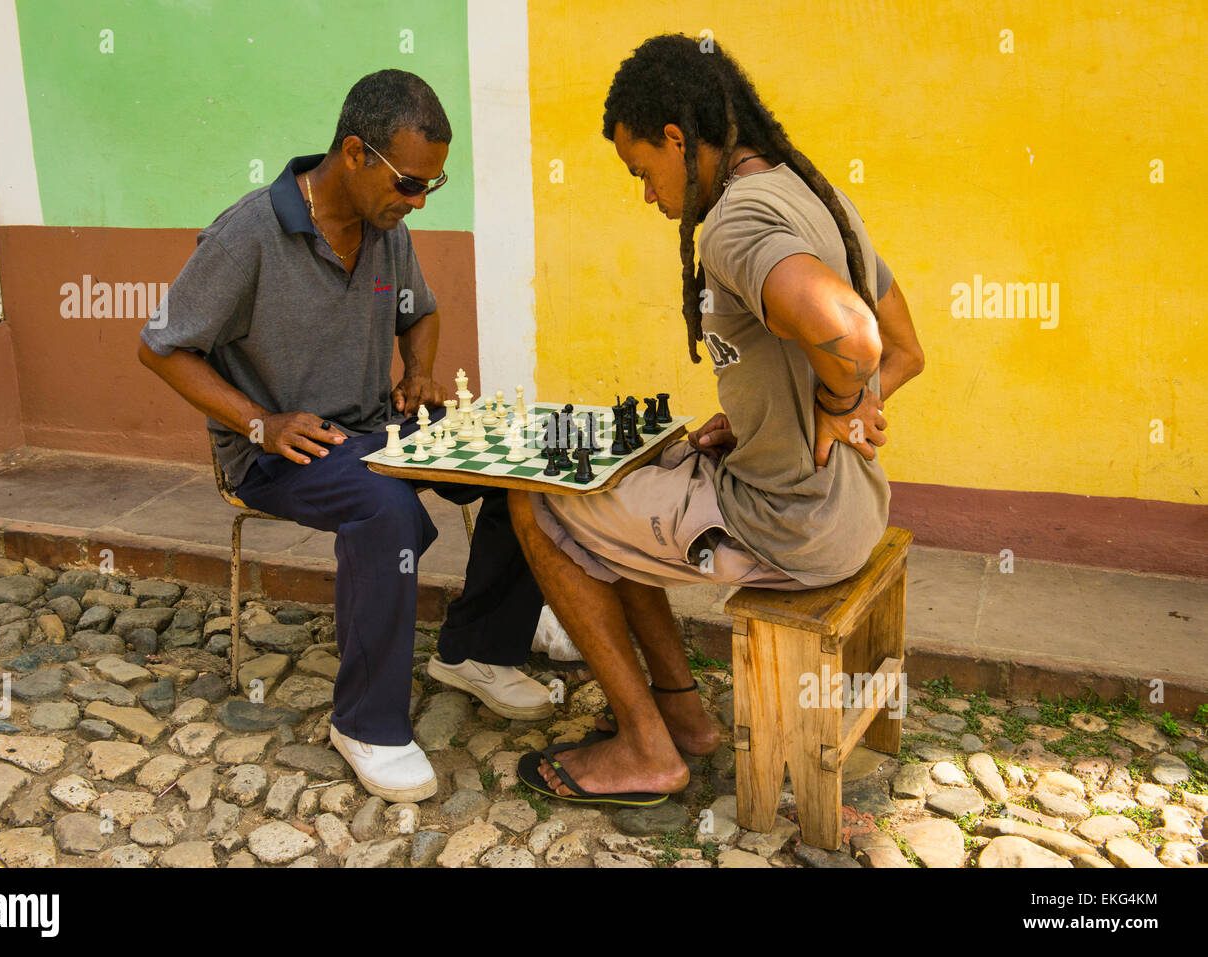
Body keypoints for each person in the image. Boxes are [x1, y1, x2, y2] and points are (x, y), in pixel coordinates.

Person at [511, 35, 925, 805]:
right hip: (854, 506)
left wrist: (837, 407)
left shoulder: (733, 225)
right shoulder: (809, 191)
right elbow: (904, 349)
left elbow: (857, 338)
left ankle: (647, 748)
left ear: (677, 138)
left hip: (790, 524)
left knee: (537, 500)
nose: (647, 195)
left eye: (642, 172)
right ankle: (686, 721)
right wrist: (785, 417)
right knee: (633, 479)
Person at [138, 69, 550, 804]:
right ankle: (367, 723)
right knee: (385, 508)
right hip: (277, 454)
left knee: (515, 460)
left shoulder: (386, 229)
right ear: (355, 153)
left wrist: (420, 370)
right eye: (409, 183)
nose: (418, 201)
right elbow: (162, 347)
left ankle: (475, 651)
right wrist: (260, 423)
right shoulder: (246, 238)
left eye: (432, 186)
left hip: (373, 427)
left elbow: (419, 311)